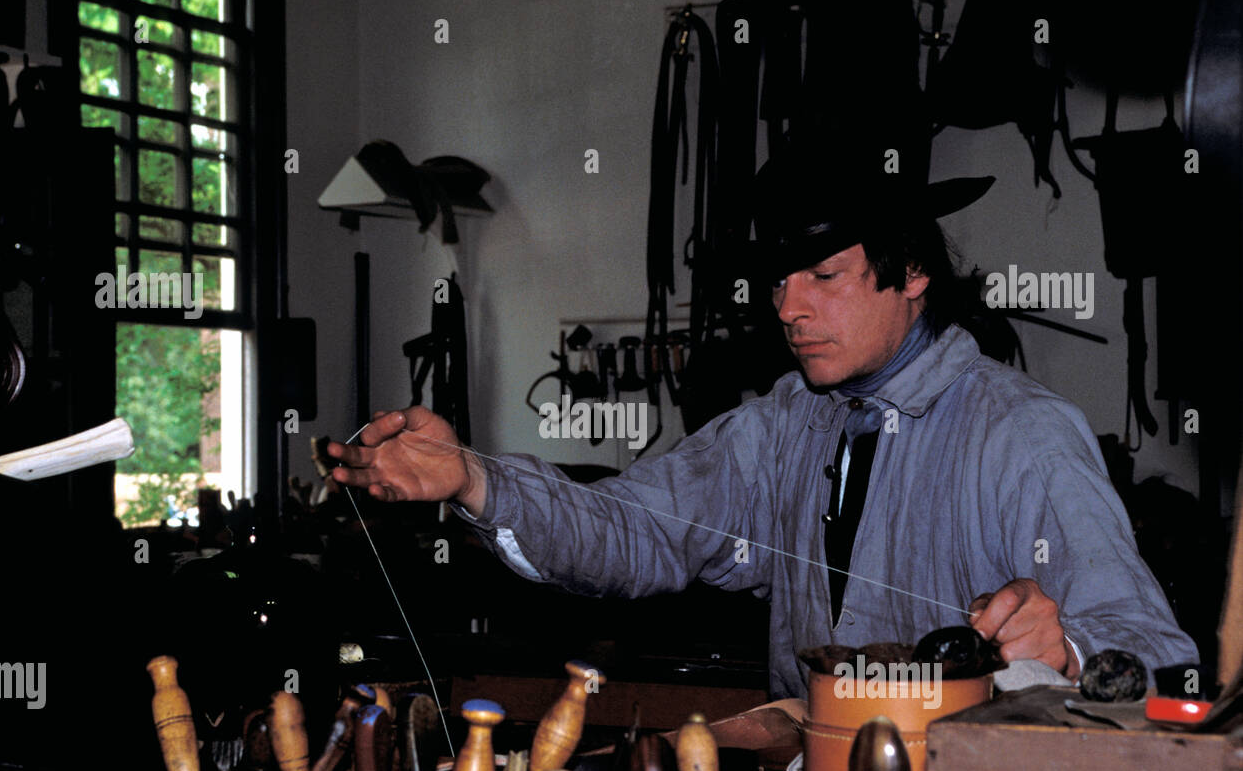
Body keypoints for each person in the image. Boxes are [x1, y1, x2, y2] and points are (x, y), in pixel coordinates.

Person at [328, 141, 1199, 699]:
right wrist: (476, 480)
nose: (789, 307)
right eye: (778, 282)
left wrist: (1074, 650)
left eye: (822, 274)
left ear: (914, 271)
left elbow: (1162, 655)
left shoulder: (1021, 435)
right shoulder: (786, 426)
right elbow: (634, 528)